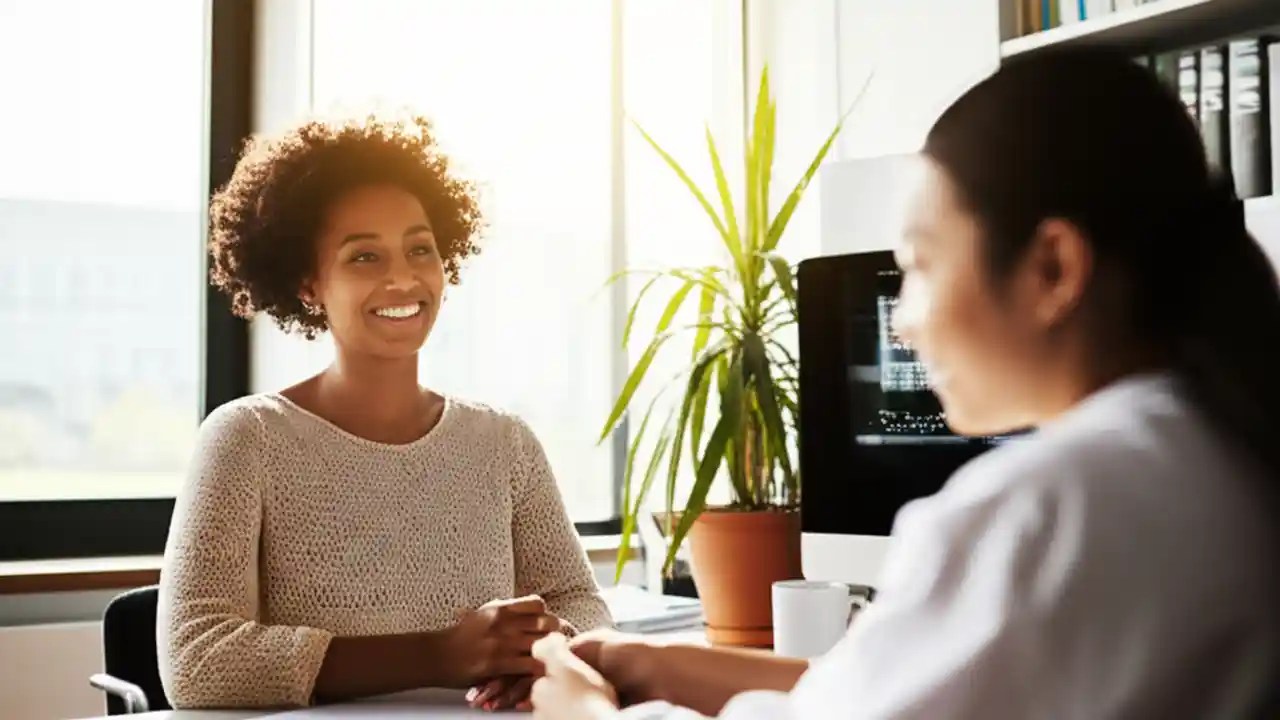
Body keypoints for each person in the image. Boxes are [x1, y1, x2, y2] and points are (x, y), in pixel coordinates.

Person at [527, 48, 1280, 719]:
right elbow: (900, 688)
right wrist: (661, 664)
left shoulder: (1045, 511)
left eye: (919, 266)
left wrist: (587, 715)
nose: (902, 326)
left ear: (1052, 268)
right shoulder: (1225, 453)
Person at [157, 113, 612, 711]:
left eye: (420, 249)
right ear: (308, 282)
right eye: (364, 257)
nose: (403, 277)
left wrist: (542, 654)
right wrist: (441, 655)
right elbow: (198, 660)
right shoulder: (249, 437)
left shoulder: (504, 443)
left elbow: (582, 604)